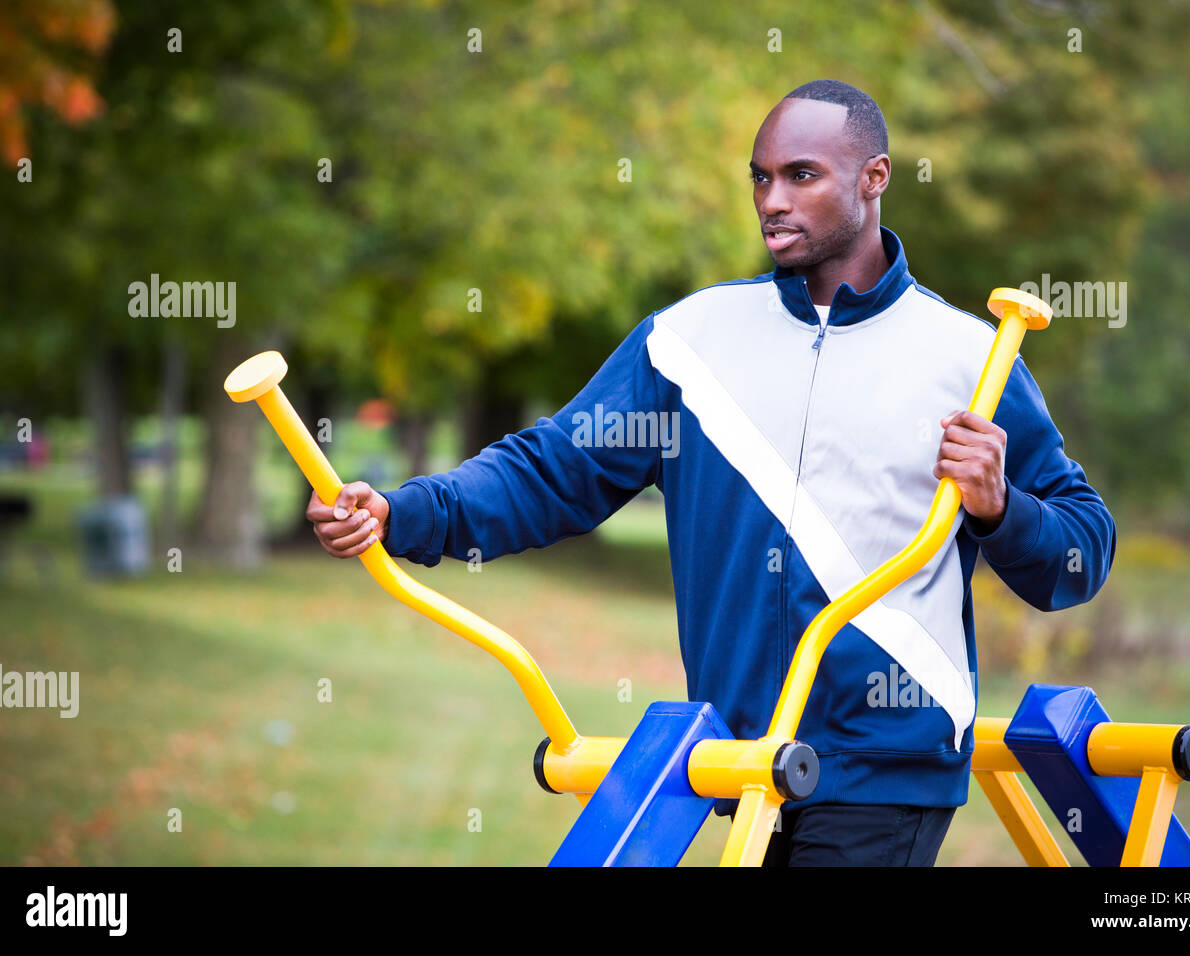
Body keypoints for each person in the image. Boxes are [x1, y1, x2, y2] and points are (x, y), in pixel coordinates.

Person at [306, 79, 1116, 866]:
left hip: (887, 766)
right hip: (742, 761)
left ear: (875, 179)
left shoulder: (971, 357)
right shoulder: (689, 343)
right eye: (761, 178)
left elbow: (1081, 553)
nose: (773, 199)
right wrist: (401, 513)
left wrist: (999, 506)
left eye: (802, 175)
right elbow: (550, 471)